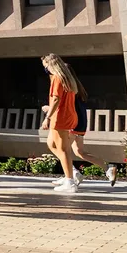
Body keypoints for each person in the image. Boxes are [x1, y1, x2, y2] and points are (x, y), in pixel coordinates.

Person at [55, 71, 118, 188]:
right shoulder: (78, 87)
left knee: (60, 149)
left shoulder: (68, 88)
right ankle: (108, 168)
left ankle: (72, 173)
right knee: (79, 152)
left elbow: (65, 107)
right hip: (81, 123)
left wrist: (49, 109)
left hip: (72, 123)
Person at [41, 54, 80, 193]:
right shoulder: (67, 79)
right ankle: (70, 173)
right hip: (67, 115)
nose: (45, 69)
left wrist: (47, 117)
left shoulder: (57, 78)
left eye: (45, 66)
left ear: (51, 65)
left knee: (63, 150)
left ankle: (70, 181)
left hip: (60, 118)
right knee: (51, 144)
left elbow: (56, 100)